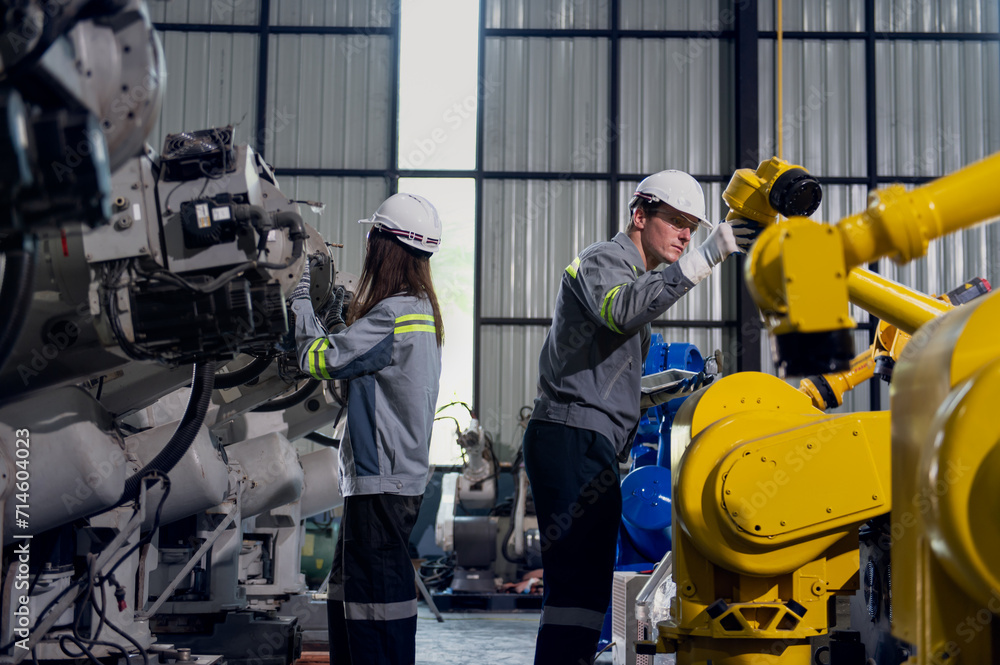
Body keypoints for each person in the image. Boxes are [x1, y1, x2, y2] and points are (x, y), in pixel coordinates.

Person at [521, 170, 761, 664]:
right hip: (570, 436)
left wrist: (664, 386)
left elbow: (606, 375)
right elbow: (621, 310)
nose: (684, 234)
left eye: (692, 228)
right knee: (575, 586)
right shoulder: (605, 260)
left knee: (584, 587)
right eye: (675, 221)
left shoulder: (634, 278)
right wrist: (707, 256)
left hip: (590, 439)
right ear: (639, 216)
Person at [288, 192, 445, 665]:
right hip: (396, 481)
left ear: (386, 244)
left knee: (375, 608)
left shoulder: (392, 315)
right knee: (352, 597)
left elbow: (320, 358)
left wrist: (297, 300)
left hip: (380, 483)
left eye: (373, 235)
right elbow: (359, 355)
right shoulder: (418, 309)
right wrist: (336, 315)